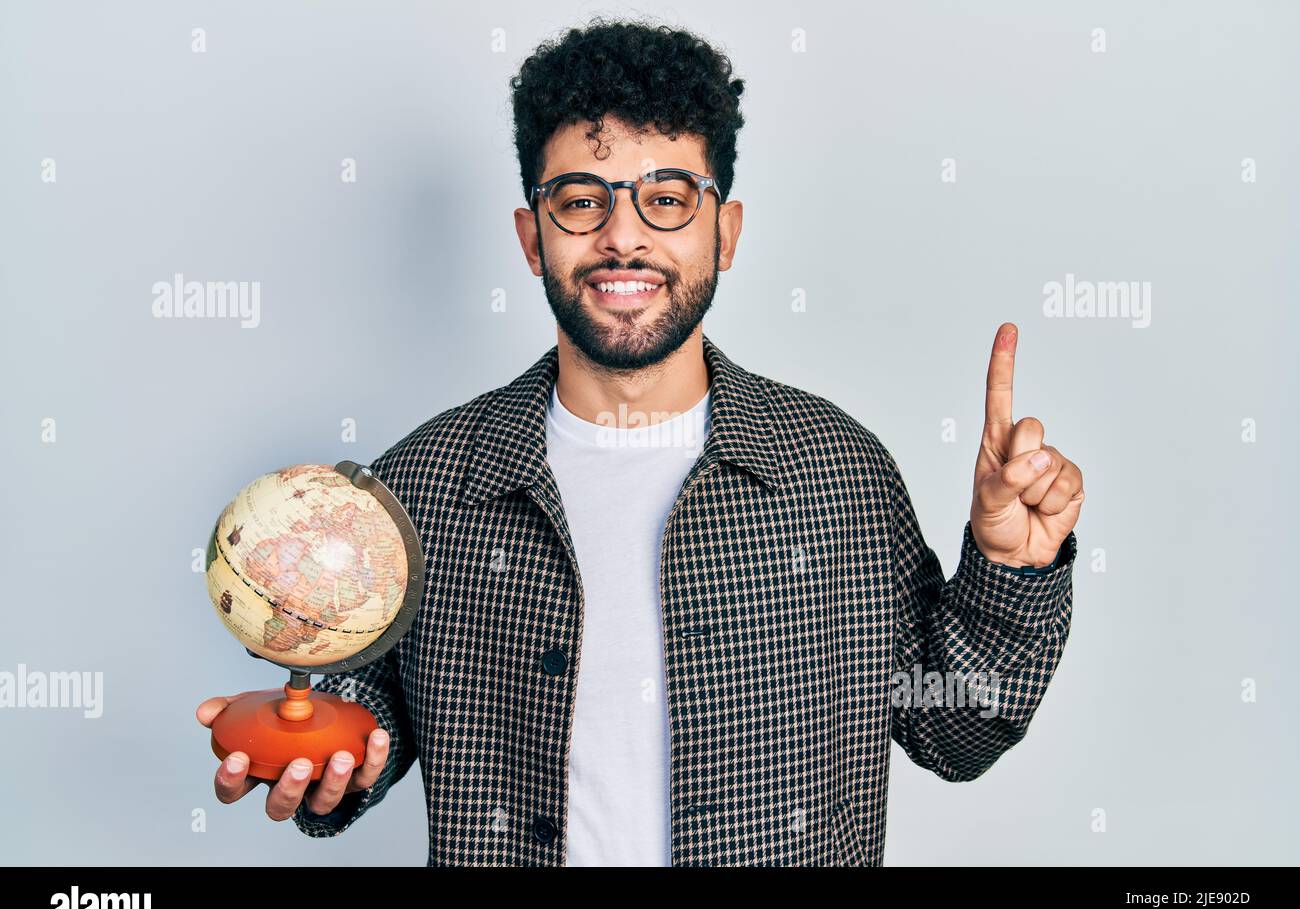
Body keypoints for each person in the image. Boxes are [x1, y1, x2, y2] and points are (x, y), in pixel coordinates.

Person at [197, 17, 1085, 866]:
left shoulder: (839, 473)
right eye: (581, 201)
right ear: (531, 239)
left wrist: (1014, 571)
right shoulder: (421, 487)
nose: (624, 237)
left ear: (724, 233)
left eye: (666, 199)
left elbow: (957, 730)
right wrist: (316, 763)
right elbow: (358, 723)